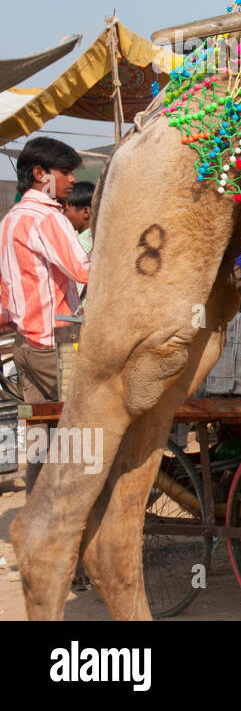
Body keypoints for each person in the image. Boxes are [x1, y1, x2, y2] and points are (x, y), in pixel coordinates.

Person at [0, 137, 90, 495]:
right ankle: (73, 519)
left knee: (40, 437)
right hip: (56, 345)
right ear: (40, 174)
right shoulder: (46, 217)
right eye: (64, 172)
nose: (70, 180)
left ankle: (37, 514)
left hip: (26, 344)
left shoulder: (11, 219)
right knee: (82, 434)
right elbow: (84, 270)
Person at [62, 180, 95, 255]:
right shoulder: (97, 237)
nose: (62, 214)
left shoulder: (81, 246)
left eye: (65, 209)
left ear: (86, 212)